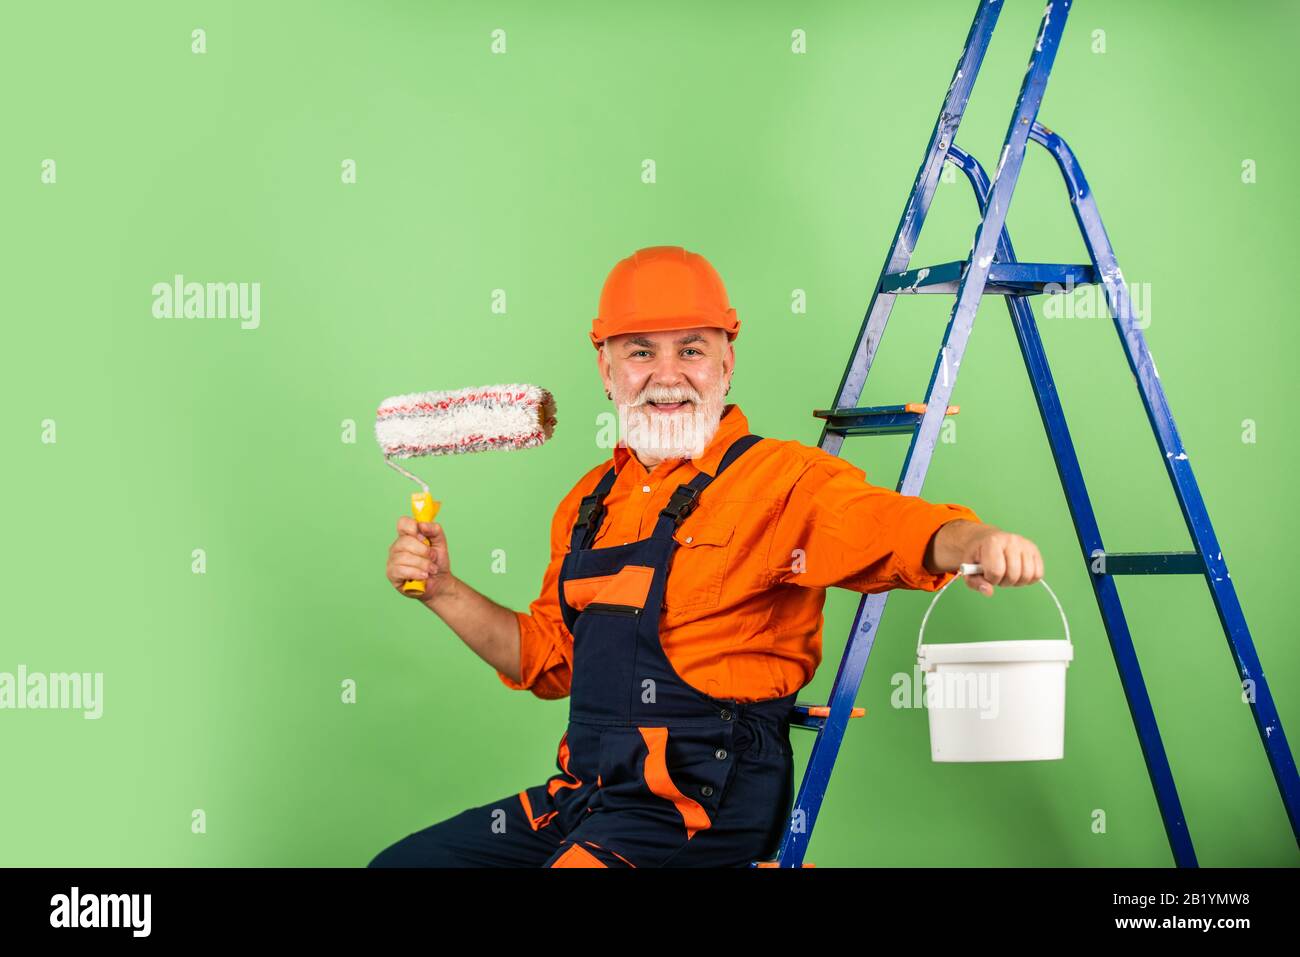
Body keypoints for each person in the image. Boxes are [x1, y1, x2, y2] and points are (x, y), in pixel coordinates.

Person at [369, 245, 1043, 867]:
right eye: (639, 353)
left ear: (726, 360)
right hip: (588, 795)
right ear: (607, 370)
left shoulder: (779, 481)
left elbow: (891, 527)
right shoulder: (586, 505)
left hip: (700, 802)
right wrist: (442, 588)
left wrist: (973, 544)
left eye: (691, 349)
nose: (667, 375)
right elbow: (546, 661)